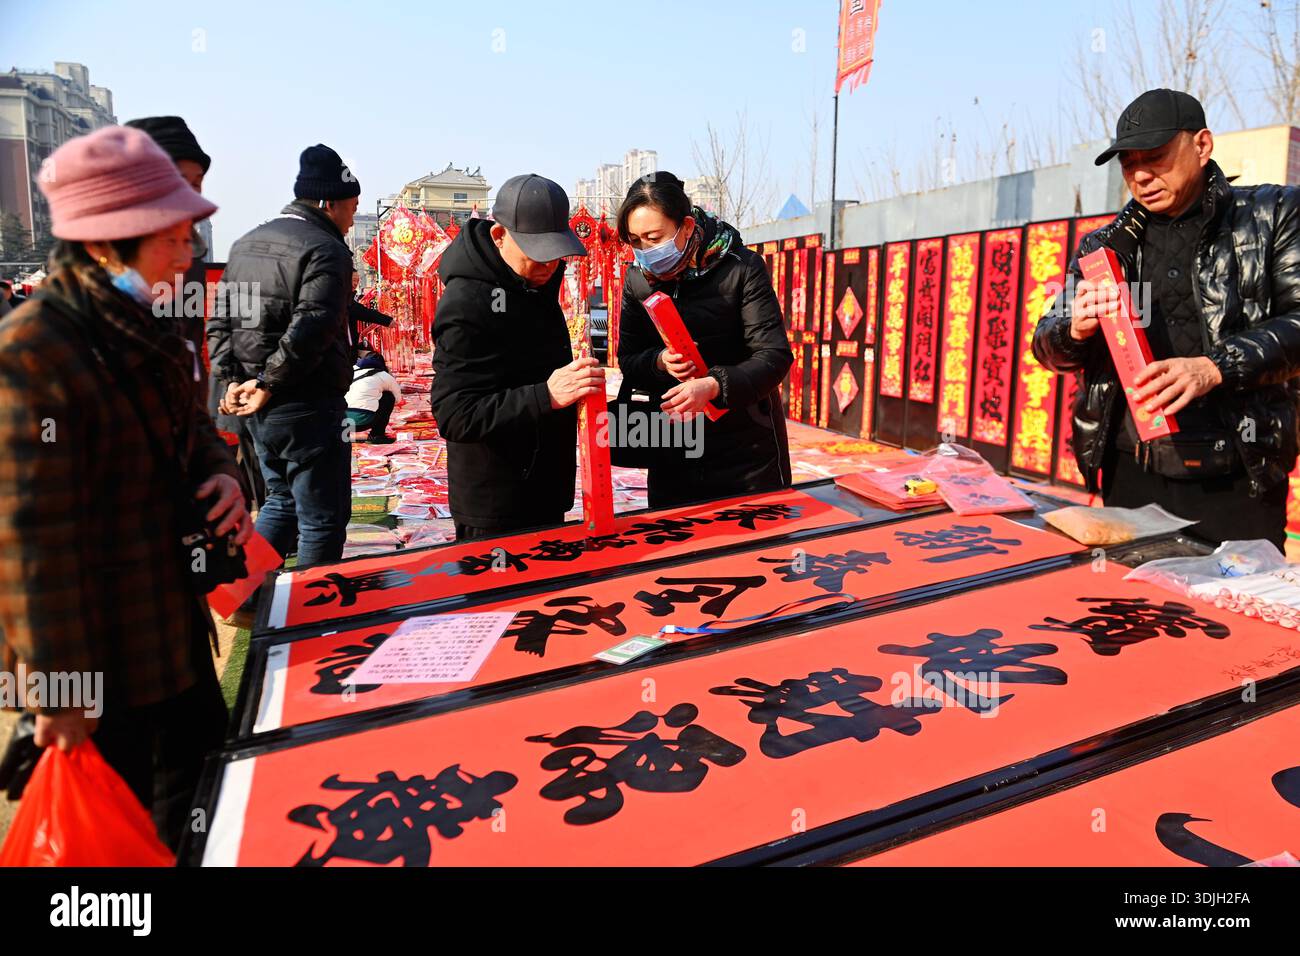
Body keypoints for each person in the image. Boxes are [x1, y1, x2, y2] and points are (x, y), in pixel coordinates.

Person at [0, 126, 250, 850]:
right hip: (101, 664)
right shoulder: (34, 352)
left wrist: (222, 475)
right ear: (110, 244)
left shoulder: (148, 329)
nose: (188, 255)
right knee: (120, 839)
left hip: (172, 631)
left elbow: (193, 435)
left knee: (199, 804)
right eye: (173, 238)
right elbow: (27, 540)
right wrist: (62, 689)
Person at [1033, 89, 1300, 549]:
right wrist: (1072, 329)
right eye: (1127, 163)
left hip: (1236, 476)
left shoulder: (1271, 215)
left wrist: (1214, 366)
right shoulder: (1104, 247)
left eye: (1155, 157)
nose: (1140, 175)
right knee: (1127, 614)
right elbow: (1045, 346)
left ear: (1201, 145)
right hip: (1130, 472)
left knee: (1231, 614)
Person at [209, 144, 358, 566]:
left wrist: (234, 381)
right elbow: (312, 325)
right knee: (322, 519)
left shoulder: (246, 243)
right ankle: (310, 622)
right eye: (352, 208)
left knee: (282, 501)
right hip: (304, 400)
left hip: (259, 405)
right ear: (330, 203)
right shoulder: (326, 249)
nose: (351, 218)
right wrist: (269, 383)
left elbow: (220, 321)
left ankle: (241, 595)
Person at [429, 173, 600, 541]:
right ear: (499, 236)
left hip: (544, 493)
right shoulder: (466, 305)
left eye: (556, 254)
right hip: (497, 507)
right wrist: (547, 395)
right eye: (537, 255)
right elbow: (454, 415)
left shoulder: (536, 285)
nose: (549, 266)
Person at [616, 172, 793, 509]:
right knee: (677, 552)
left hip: (744, 450)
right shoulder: (637, 281)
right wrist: (658, 361)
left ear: (685, 226)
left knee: (749, 553)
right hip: (672, 443)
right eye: (635, 241)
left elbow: (773, 355)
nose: (645, 252)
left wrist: (713, 385)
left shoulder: (741, 269)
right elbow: (629, 358)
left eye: (654, 238)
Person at [346, 348, 401, 443]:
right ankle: (377, 435)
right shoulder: (383, 375)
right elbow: (398, 399)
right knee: (388, 397)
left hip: (343, 421)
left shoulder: (351, 371)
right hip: (364, 421)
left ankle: (344, 435)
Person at [348, 264, 393, 360]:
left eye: (357, 280)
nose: (355, 284)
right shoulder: (343, 299)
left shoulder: (348, 298)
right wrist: (388, 321)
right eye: (353, 280)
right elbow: (364, 312)